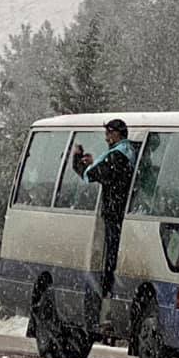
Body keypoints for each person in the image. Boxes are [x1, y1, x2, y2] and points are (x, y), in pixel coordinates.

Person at [69, 119, 137, 303]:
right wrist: (96, 163)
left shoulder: (117, 157)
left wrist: (77, 159)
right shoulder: (130, 151)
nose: (106, 137)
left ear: (116, 134)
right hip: (127, 212)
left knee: (112, 256)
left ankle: (107, 296)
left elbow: (88, 175)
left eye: (108, 133)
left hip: (115, 213)